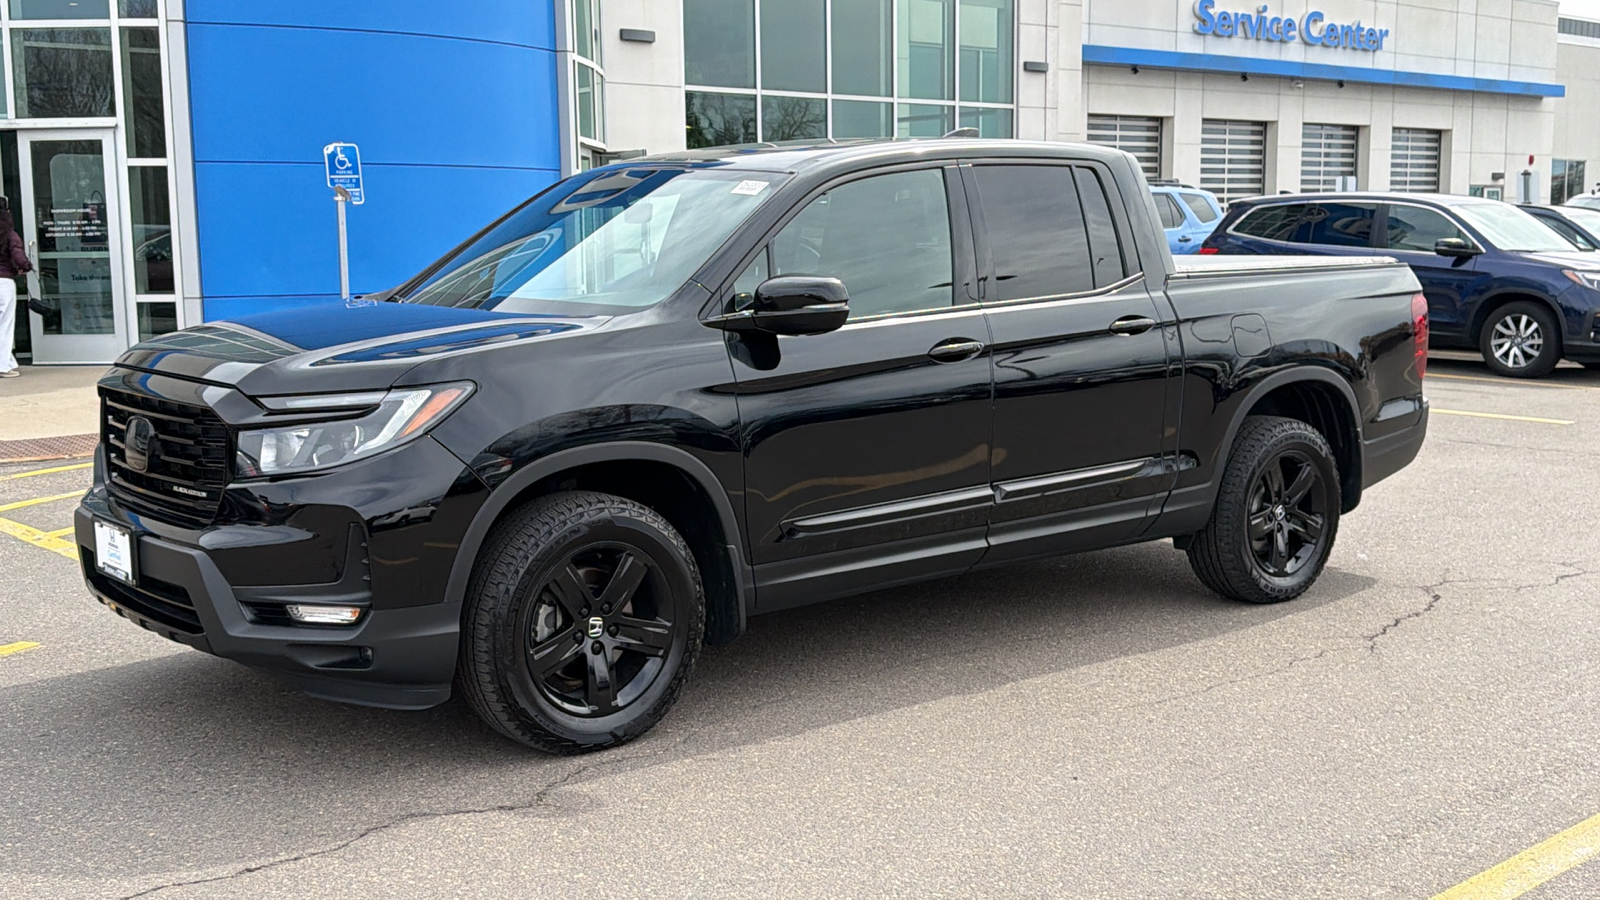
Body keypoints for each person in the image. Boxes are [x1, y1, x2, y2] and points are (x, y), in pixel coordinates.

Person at [0, 204, 31, 378]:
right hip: (3, 282)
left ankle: (8, 361)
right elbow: (19, 257)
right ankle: (3, 366)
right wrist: (26, 267)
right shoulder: (9, 234)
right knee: (4, 325)